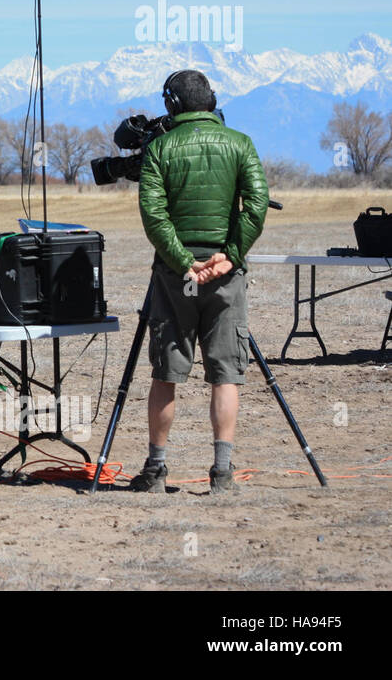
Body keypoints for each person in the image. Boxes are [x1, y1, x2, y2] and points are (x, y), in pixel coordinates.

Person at [129, 70, 269, 494]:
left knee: (167, 372)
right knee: (226, 373)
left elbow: (155, 215)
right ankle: (222, 472)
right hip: (226, 276)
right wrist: (229, 256)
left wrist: (185, 262)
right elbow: (257, 203)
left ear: (173, 105)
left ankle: (156, 469)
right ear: (210, 101)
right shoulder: (240, 143)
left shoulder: (160, 149)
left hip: (175, 278)